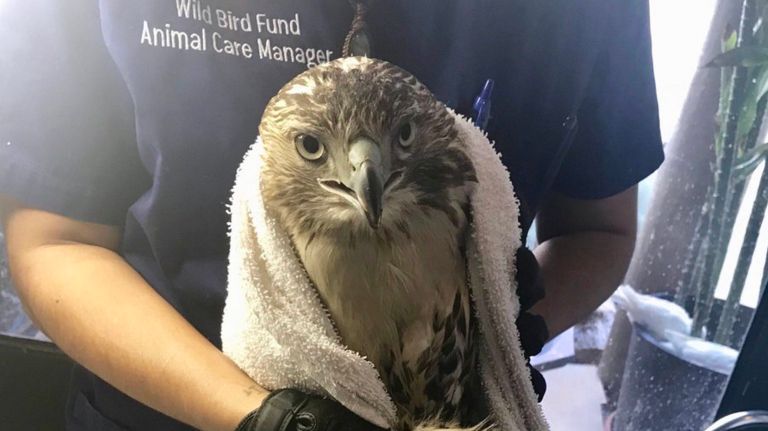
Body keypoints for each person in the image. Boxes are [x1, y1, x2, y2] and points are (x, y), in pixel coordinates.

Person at [0, 1, 663, 430]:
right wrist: (266, 418)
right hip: (155, 405)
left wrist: (495, 337)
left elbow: (599, 229)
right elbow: (55, 238)